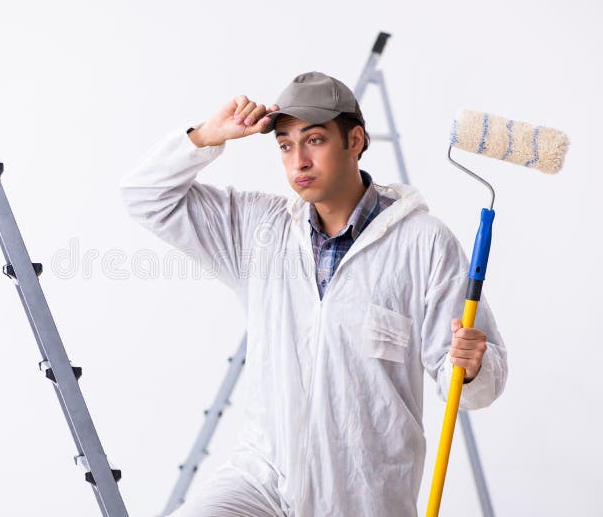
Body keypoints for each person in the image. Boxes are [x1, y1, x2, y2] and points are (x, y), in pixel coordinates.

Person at [120, 71, 507, 516]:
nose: (298, 161)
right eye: (285, 145)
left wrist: (473, 366)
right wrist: (206, 136)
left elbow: (475, 390)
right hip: (262, 481)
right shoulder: (258, 230)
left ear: (355, 140)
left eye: (315, 140)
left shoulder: (424, 244)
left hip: (362, 498)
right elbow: (144, 196)